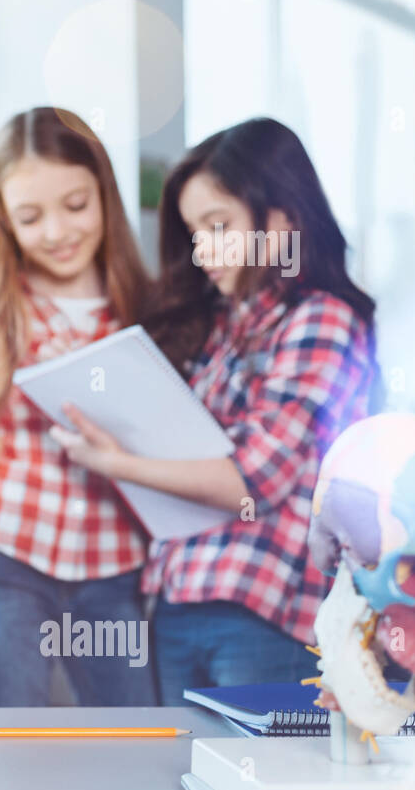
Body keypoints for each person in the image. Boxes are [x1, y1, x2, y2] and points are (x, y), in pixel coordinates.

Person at [53, 117, 378, 704]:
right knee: (188, 789)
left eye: (218, 225)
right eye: (194, 232)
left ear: (284, 219)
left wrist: (116, 461)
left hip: (260, 610)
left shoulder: (321, 318)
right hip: (180, 596)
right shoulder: (226, 323)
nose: (203, 251)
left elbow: (254, 480)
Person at [0, 107, 156, 707]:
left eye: (75, 205)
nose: (56, 231)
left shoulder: (143, 308)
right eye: (30, 216)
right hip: (4, 563)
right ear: (5, 219)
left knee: (134, 752)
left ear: (104, 194)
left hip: (115, 567)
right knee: (11, 758)